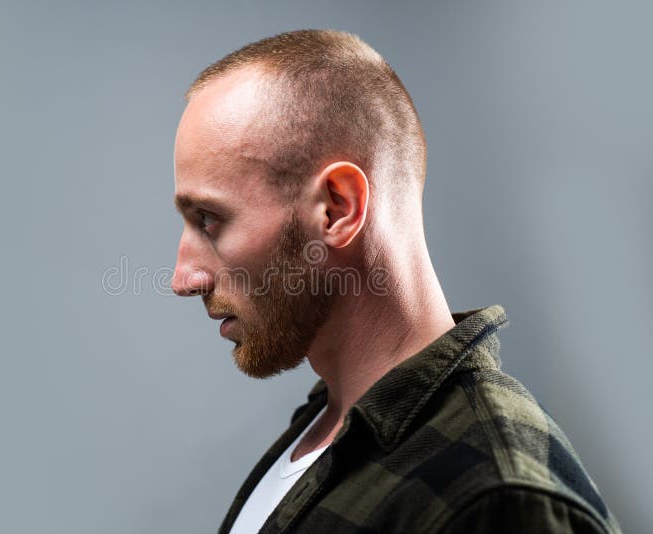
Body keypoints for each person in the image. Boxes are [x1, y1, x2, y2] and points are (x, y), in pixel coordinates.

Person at [171, 29, 620, 534]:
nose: (183, 278)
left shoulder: (494, 499)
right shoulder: (325, 431)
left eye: (209, 219)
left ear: (337, 209)